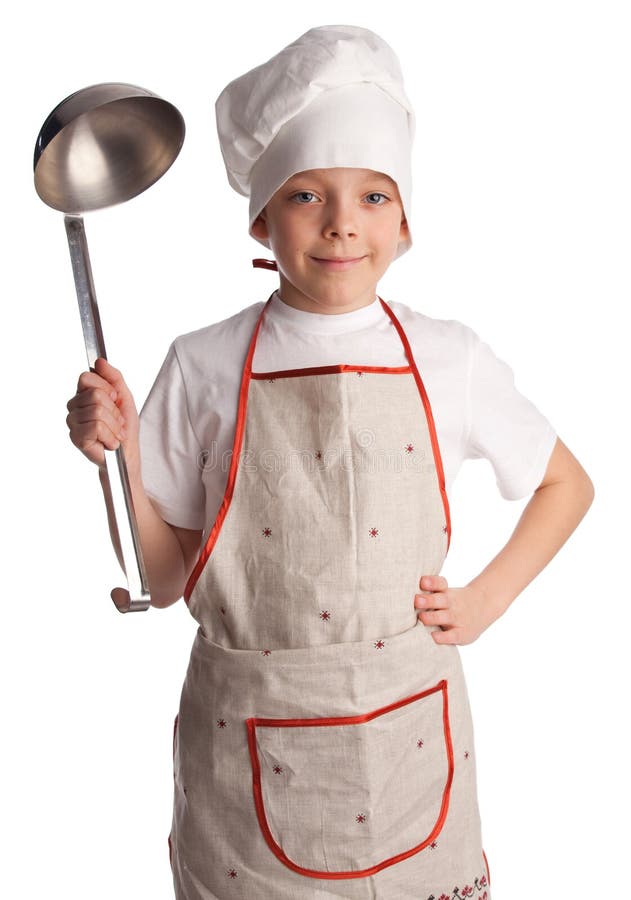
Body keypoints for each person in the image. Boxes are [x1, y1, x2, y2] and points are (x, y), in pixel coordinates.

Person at [65, 24, 593, 900]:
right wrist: (112, 457)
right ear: (262, 218)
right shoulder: (201, 363)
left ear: (406, 220)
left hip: (410, 740)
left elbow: (564, 483)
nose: (344, 223)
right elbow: (162, 578)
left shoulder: (446, 355)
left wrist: (486, 600)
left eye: (374, 196)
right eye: (308, 195)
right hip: (244, 757)